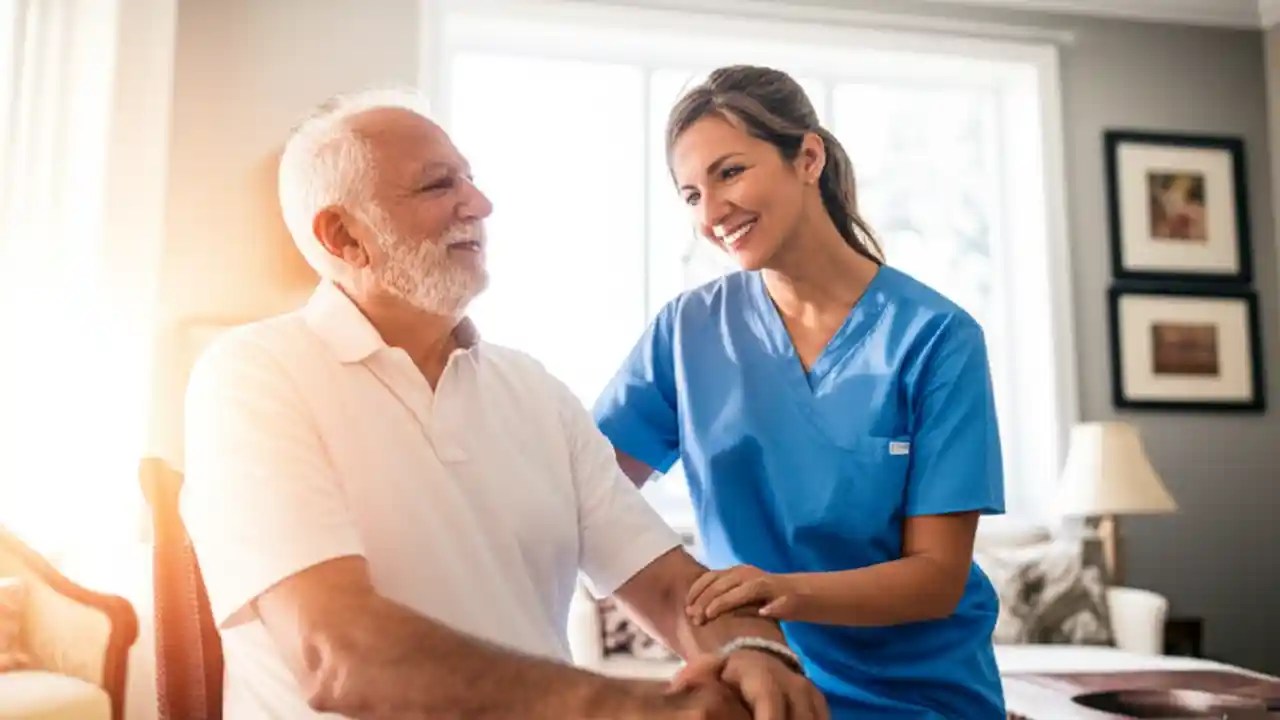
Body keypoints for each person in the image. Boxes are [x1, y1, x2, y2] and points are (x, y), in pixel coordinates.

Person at [182, 88, 830, 720]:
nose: (481, 204)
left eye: (470, 180)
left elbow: (666, 584)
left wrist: (754, 655)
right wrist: (637, 709)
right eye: (440, 186)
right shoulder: (252, 377)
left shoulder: (535, 393)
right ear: (344, 236)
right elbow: (338, 657)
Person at [594, 65, 1007, 719]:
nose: (712, 213)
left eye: (730, 173)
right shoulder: (687, 331)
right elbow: (587, 490)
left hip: (921, 698)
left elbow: (936, 577)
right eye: (691, 194)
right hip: (764, 694)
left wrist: (781, 591)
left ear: (807, 157)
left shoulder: (937, 338)